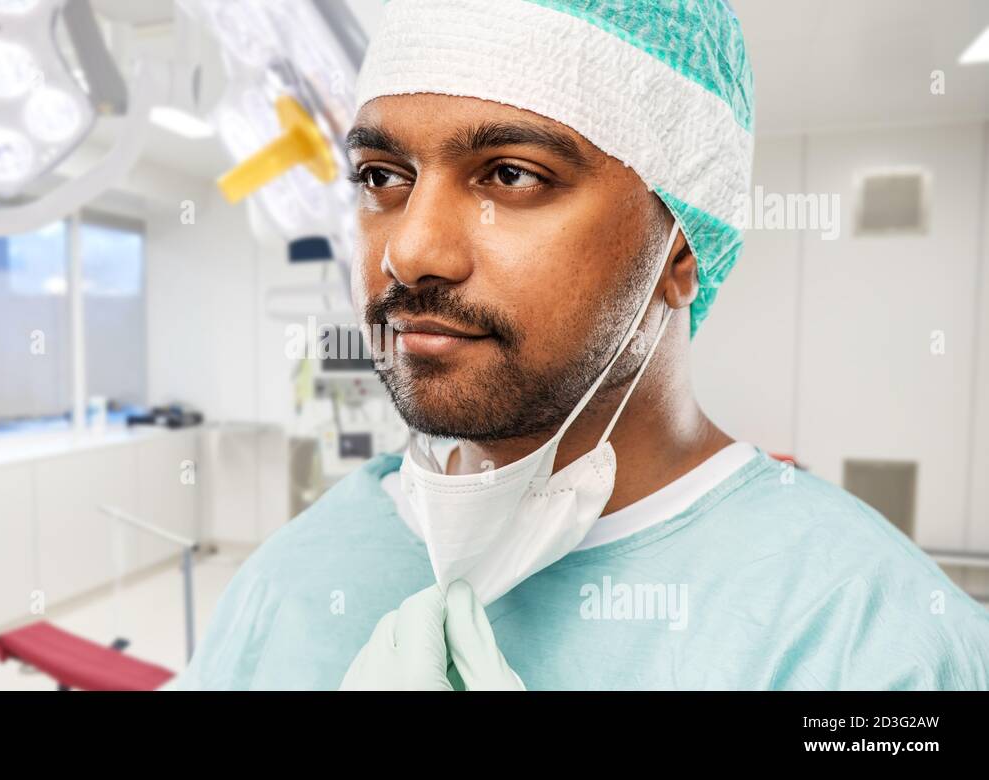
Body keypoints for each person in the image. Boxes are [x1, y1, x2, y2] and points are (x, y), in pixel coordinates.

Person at [168, 0, 989, 690]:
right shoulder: (293, 574)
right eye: (383, 175)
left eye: (511, 174)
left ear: (681, 248)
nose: (410, 251)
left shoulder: (868, 636)